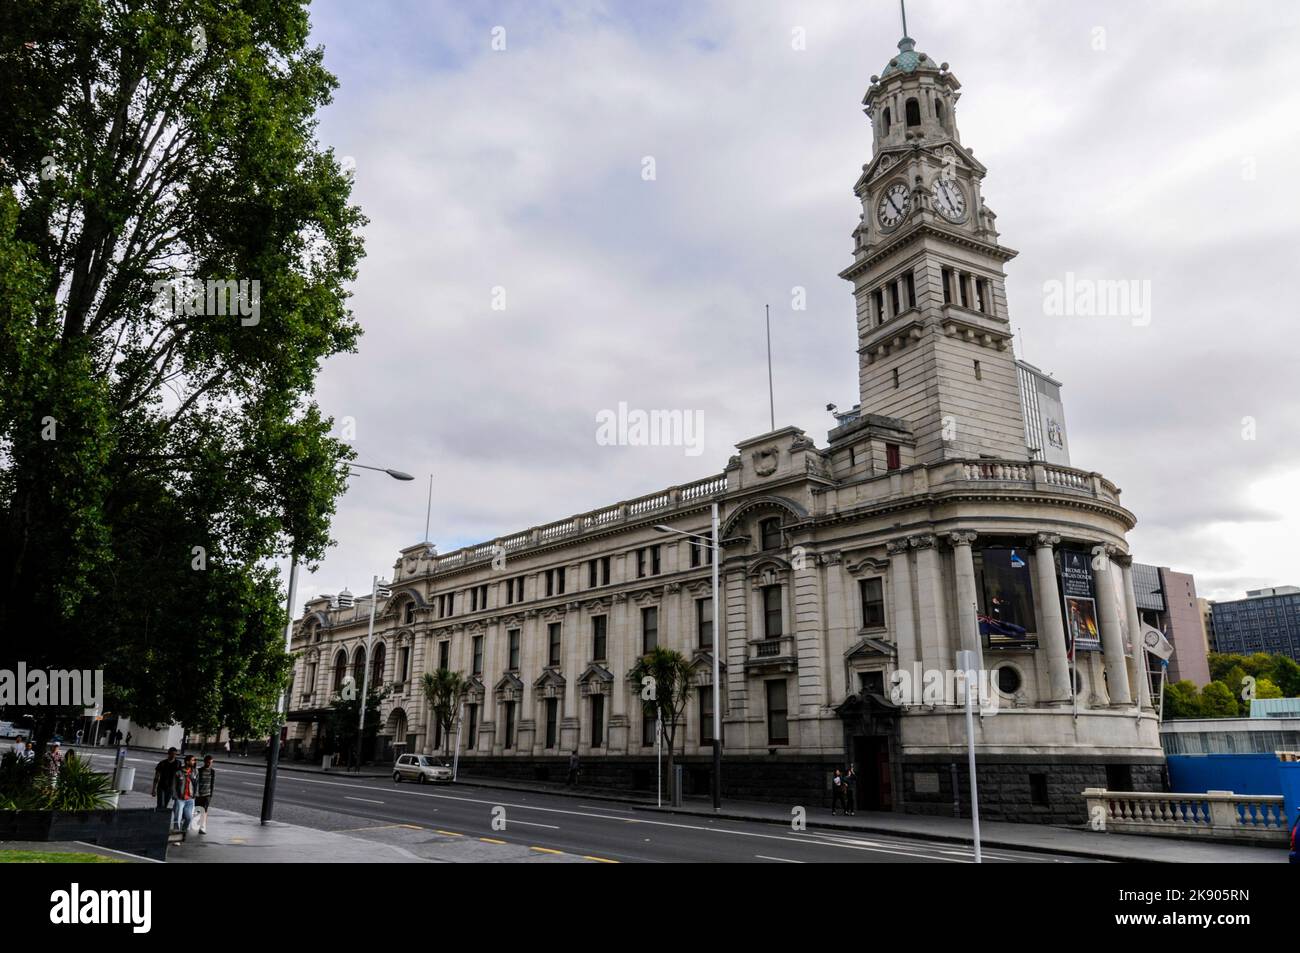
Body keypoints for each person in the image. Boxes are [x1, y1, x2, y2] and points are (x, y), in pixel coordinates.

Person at [172, 754, 198, 837]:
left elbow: (196, 784)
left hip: (190, 799)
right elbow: (173, 785)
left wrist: (195, 795)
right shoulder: (178, 772)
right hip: (180, 798)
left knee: (189, 818)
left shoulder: (195, 771)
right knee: (177, 818)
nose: (194, 762)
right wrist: (175, 796)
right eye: (192, 760)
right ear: (187, 761)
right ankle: (176, 836)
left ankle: (183, 832)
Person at [151, 747, 181, 812]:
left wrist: (176, 791)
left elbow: (179, 778)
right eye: (172, 754)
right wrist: (153, 789)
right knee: (160, 804)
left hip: (171, 788)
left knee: (165, 805)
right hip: (161, 786)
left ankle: (160, 818)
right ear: (168, 754)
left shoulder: (178, 764)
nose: (173, 756)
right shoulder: (162, 763)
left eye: (175, 754)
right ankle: (157, 817)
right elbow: (156, 777)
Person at [195, 755, 217, 835]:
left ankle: (202, 827)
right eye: (207, 762)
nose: (209, 764)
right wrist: (196, 793)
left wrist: (211, 794)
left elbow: (212, 783)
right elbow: (196, 782)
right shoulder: (199, 770)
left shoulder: (212, 771)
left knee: (204, 810)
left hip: (207, 794)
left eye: (210, 762)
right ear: (204, 761)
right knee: (197, 810)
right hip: (199, 793)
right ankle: (194, 824)